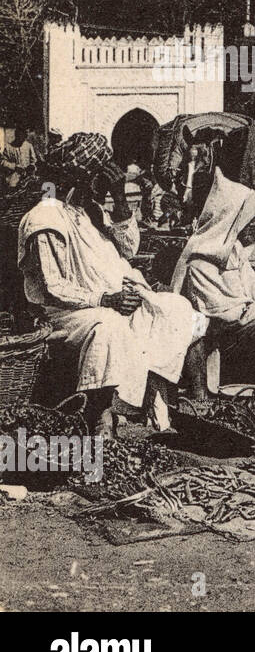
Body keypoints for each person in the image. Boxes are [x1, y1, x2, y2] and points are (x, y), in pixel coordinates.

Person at [19, 133, 206, 437]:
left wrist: (119, 197)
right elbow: (53, 286)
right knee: (109, 326)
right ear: (83, 177)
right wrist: (105, 299)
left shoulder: (88, 210)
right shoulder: (45, 217)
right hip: (68, 312)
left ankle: (168, 412)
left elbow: (129, 248)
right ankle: (101, 418)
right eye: (101, 175)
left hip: (114, 297)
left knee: (178, 309)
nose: (105, 181)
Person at [173, 169, 255, 387]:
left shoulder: (234, 250)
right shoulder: (199, 262)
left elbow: (253, 286)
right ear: (229, 219)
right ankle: (243, 379)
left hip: (243, 318)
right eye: (246, 219)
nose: (252, 224)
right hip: (220, 334)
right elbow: (224, 313)